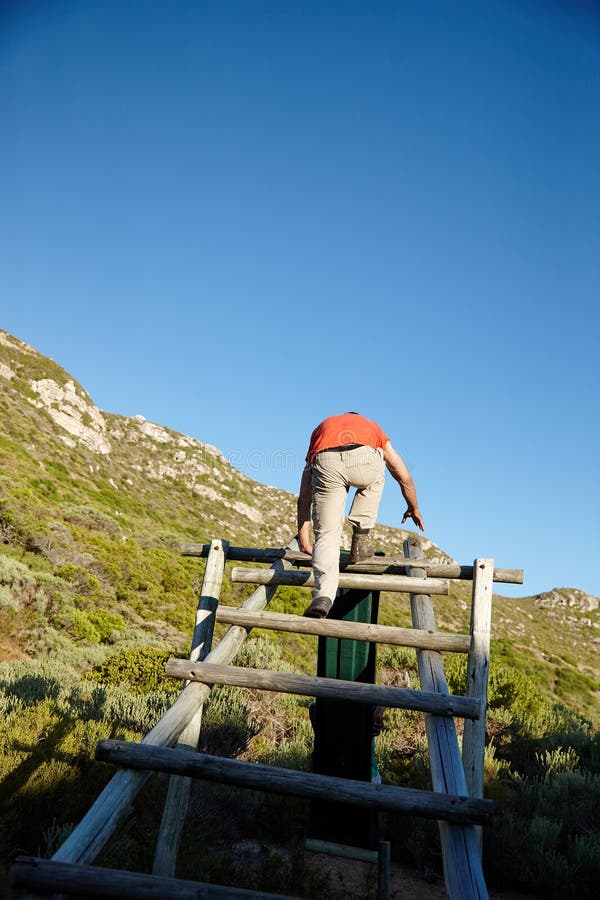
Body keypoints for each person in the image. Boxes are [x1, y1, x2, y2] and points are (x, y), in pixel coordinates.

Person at [297, 412, 424, 618]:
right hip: (364, 459)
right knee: (381, 468)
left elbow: (304, 497)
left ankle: (323, 596)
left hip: (325, 458)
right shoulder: (373, 428)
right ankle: (361, 535)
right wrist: (413, 508)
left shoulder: (322, 428)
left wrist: (304, 539)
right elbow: (403, 476)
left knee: (327, 535)